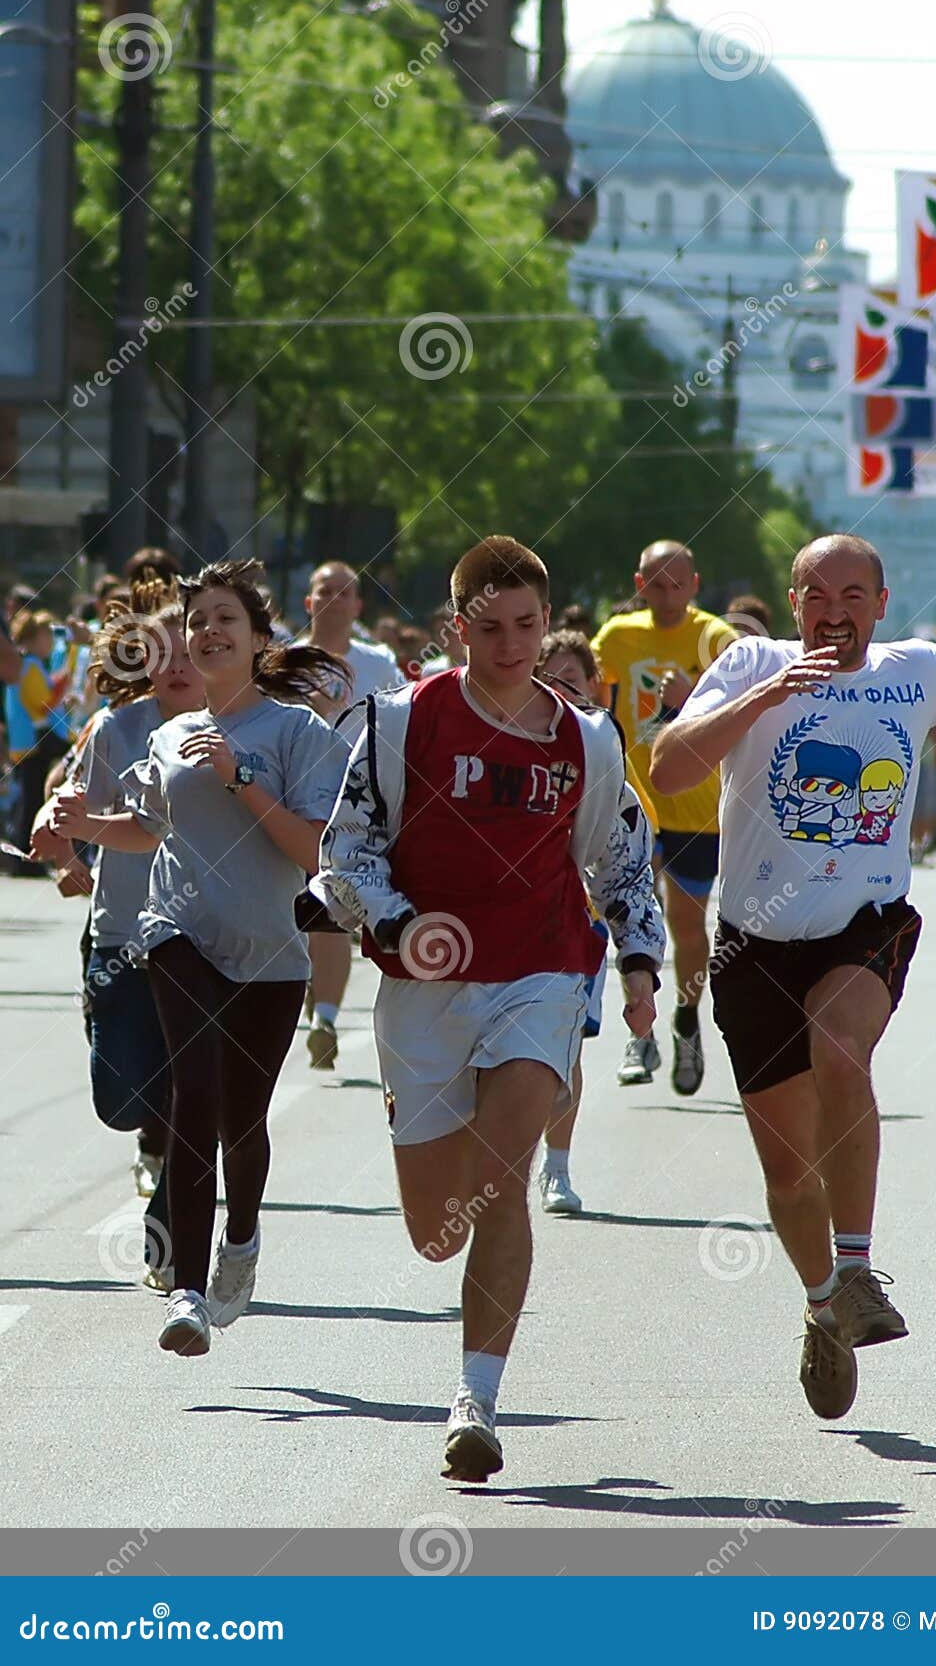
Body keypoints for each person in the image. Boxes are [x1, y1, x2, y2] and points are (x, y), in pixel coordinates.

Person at [651, 533, 936, 1420]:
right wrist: (763, 697)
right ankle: (824, 1303)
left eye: (853, 594)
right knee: (791, 1180)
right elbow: (670, 767)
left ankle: (858, 1267)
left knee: (841, 1047)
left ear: (880, 600)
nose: (835, 611)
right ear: (795, 604)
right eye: (817, 595)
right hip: (754, 943)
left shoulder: (921, 672)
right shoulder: (751, 662)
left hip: (864, 926)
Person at [311, 536, 664, 1482]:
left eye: (528, 626)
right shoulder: (398, 723)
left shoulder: (585, 739)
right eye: (490, 627)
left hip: (541, 975)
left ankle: (476, 1401)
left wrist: (638, 964)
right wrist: (398, 922)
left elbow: (622, 859)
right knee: (437, 1231)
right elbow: (344, 852)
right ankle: (435, 1128)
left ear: (549, 627)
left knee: (505, 1178)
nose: (511, 646)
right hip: (425, 994)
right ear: (457, 626)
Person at [48, 560, 350, 1357]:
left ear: (258, 640)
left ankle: (240, 1242)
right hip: (177, 931)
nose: (205, 633)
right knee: (192, 1091)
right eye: (196, 622)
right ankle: (183, 1289)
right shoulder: (167, 733)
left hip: (271, 953)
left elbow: (311, 847)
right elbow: (147, 830)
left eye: (224, 620)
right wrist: (84, 823)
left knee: (241, 1121)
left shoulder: (297, 734)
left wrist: (241, 777)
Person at [34, 590, 204, 1283]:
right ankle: (153, 1136)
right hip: (121, 939)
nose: (174, 664)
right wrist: (63, 843)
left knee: (192, 1090)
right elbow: (72, 803)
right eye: (158, 651)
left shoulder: (243, 731)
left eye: (189, 648)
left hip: (206, 942)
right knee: (123, 1099)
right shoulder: (115, 728)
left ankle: (170, 1238)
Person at [592, 541, 735, 1094]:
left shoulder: (716, 638)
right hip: (633, 803)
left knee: (684, 925)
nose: (667, 593)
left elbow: (748, 701)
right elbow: (590, 702)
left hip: (697, 805)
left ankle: (686, 1017)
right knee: (628, 917)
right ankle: (640, 1032)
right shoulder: (617, 637)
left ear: (695, 584)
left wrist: (695, 692)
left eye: (678, 583)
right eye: (656, 582)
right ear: (639, 582)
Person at [535, 630, 658, 1215]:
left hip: (571, 937)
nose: (562, 693)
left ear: (595, 689)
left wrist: (639, 970)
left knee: (564, 1051)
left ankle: (555, 1167)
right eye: (549, 680)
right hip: (486, 939)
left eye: (574, 682)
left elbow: (629, 876)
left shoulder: (609, 772)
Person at [299, 560, 405, 1070]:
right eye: (325, 592)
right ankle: (306, 989)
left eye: (345, 594)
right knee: (289, 913)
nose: (334, 601)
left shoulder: (378, 664)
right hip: (291, 803)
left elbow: (394, 731)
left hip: (356, 808)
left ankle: (324, 1017)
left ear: (359, 606)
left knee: (329, 911)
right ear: (309, 602)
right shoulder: (284, 663)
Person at [5, 610, 75, 859]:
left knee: (28, 798)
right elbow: (40, 703)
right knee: (31, 800)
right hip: (32, 743)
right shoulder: (30, 666)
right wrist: (63, 684)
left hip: (23, 742)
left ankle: (23, 853)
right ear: (34, 638)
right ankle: (26, 855)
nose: (50, 643)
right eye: (47, 636)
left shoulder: (27, 665)